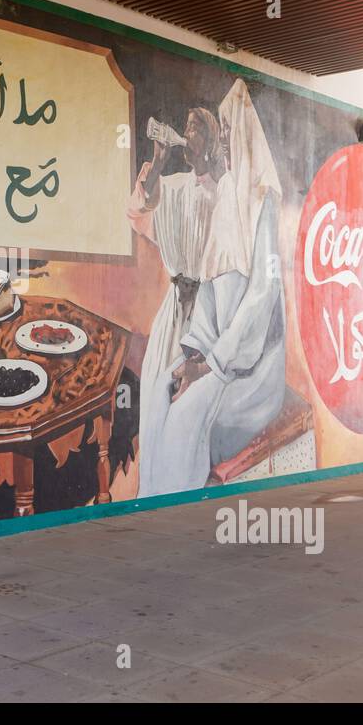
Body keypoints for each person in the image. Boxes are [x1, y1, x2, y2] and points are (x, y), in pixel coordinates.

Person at [137, 79, 286, 496]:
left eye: (228, 128)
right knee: (161, 388)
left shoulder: (263, 204)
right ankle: (148, 499)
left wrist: (213, 363)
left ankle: (171, 506)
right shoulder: (226, 199)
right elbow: (207, 292)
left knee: (185, 413)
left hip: (251, 370)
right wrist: (194, 355)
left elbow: (261, 298)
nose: (223, 138)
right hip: (216, 356)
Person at [126, 106, 219, 474]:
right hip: (173, 310)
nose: (187, 133)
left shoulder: (222, 193)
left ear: (210, 141)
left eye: (195, 128)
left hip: (207, 315)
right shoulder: (175, 185)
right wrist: (158, 161)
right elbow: (139, 209)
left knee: (189, 410)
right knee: (157, 390)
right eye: (186, 126)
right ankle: (154, 483)